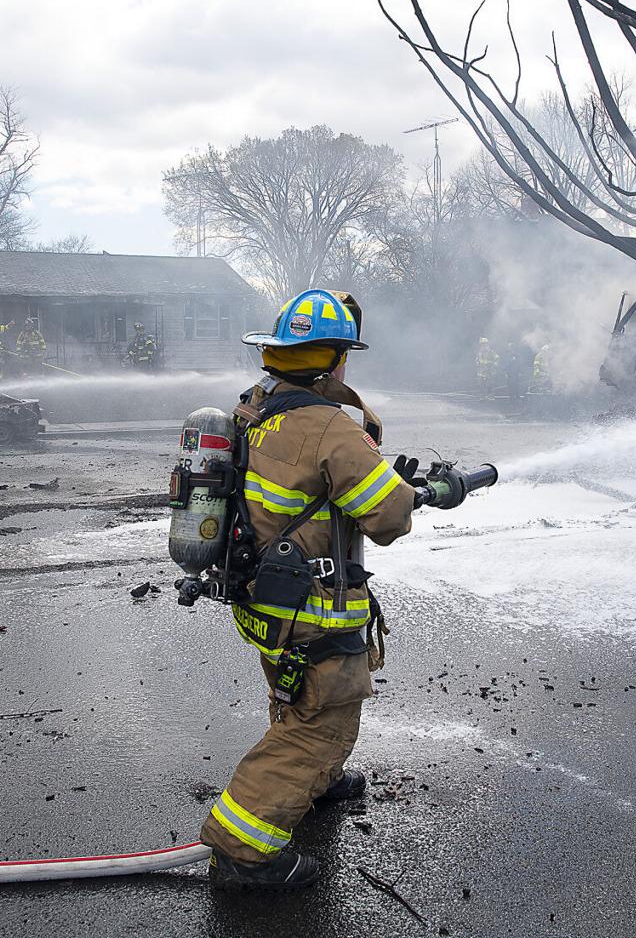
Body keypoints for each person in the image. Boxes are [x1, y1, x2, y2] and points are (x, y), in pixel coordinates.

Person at [200, 288, 419, 890]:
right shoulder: (329, 428)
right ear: (336, 358)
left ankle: (313, 787)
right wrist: (414, 490)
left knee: (296, 694)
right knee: (324, 722)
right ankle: (244, 852)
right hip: (312, 610)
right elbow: (389, 519)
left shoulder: (253, 409)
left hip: (263, 601)